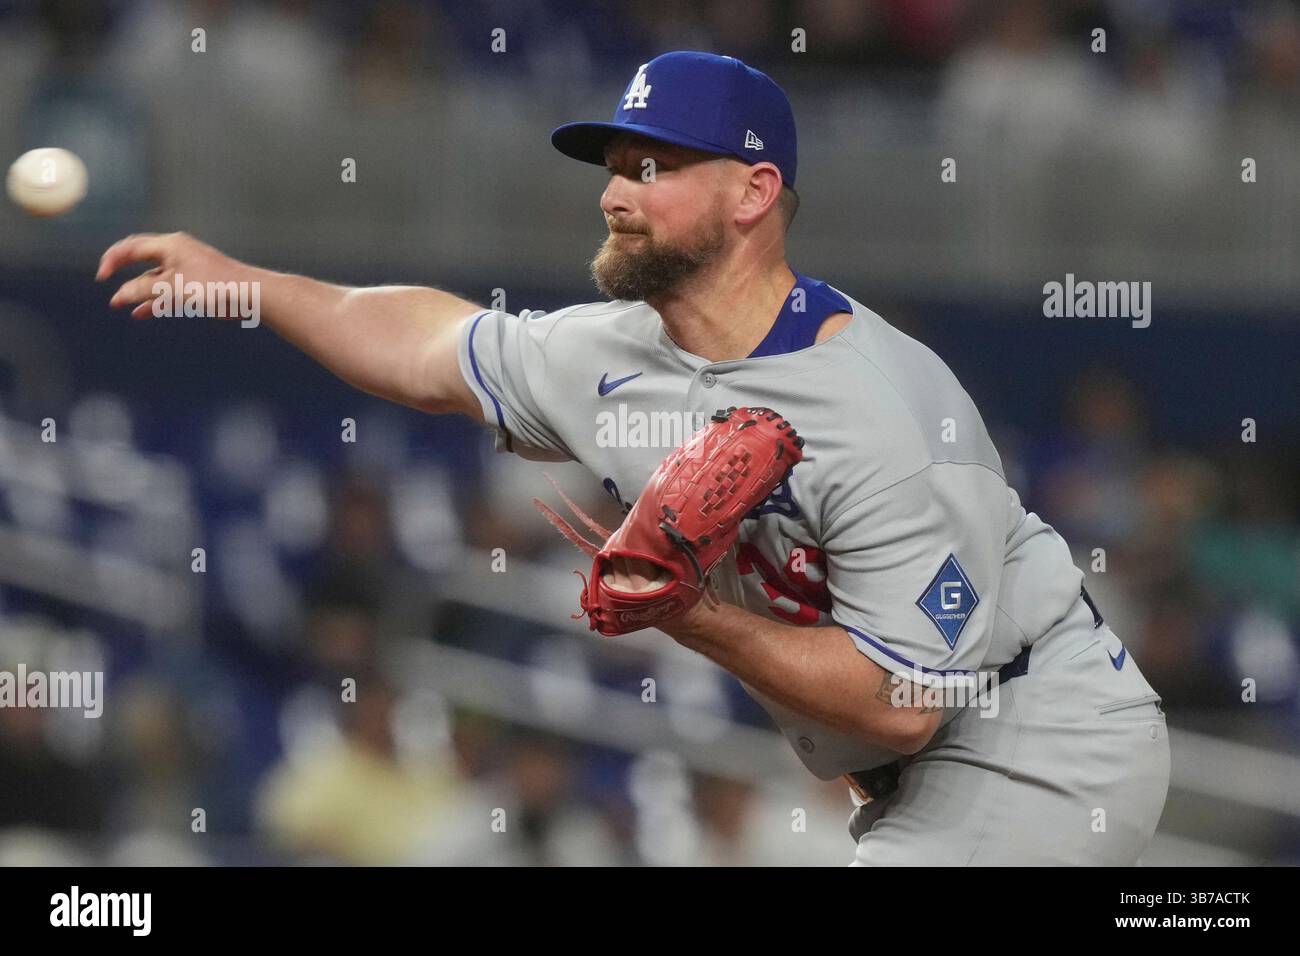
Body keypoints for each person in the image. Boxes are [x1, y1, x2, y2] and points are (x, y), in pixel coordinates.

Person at [98, 50, 1170, 865]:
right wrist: (244, 284)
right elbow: (424, 346)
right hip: (901, 771)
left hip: (1034, 734)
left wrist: (687, 612)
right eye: (614, 168)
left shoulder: (883, 414)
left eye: (651, 168)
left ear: (752, 193)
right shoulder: (611, 353)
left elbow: (901, 701)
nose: (614, 194)